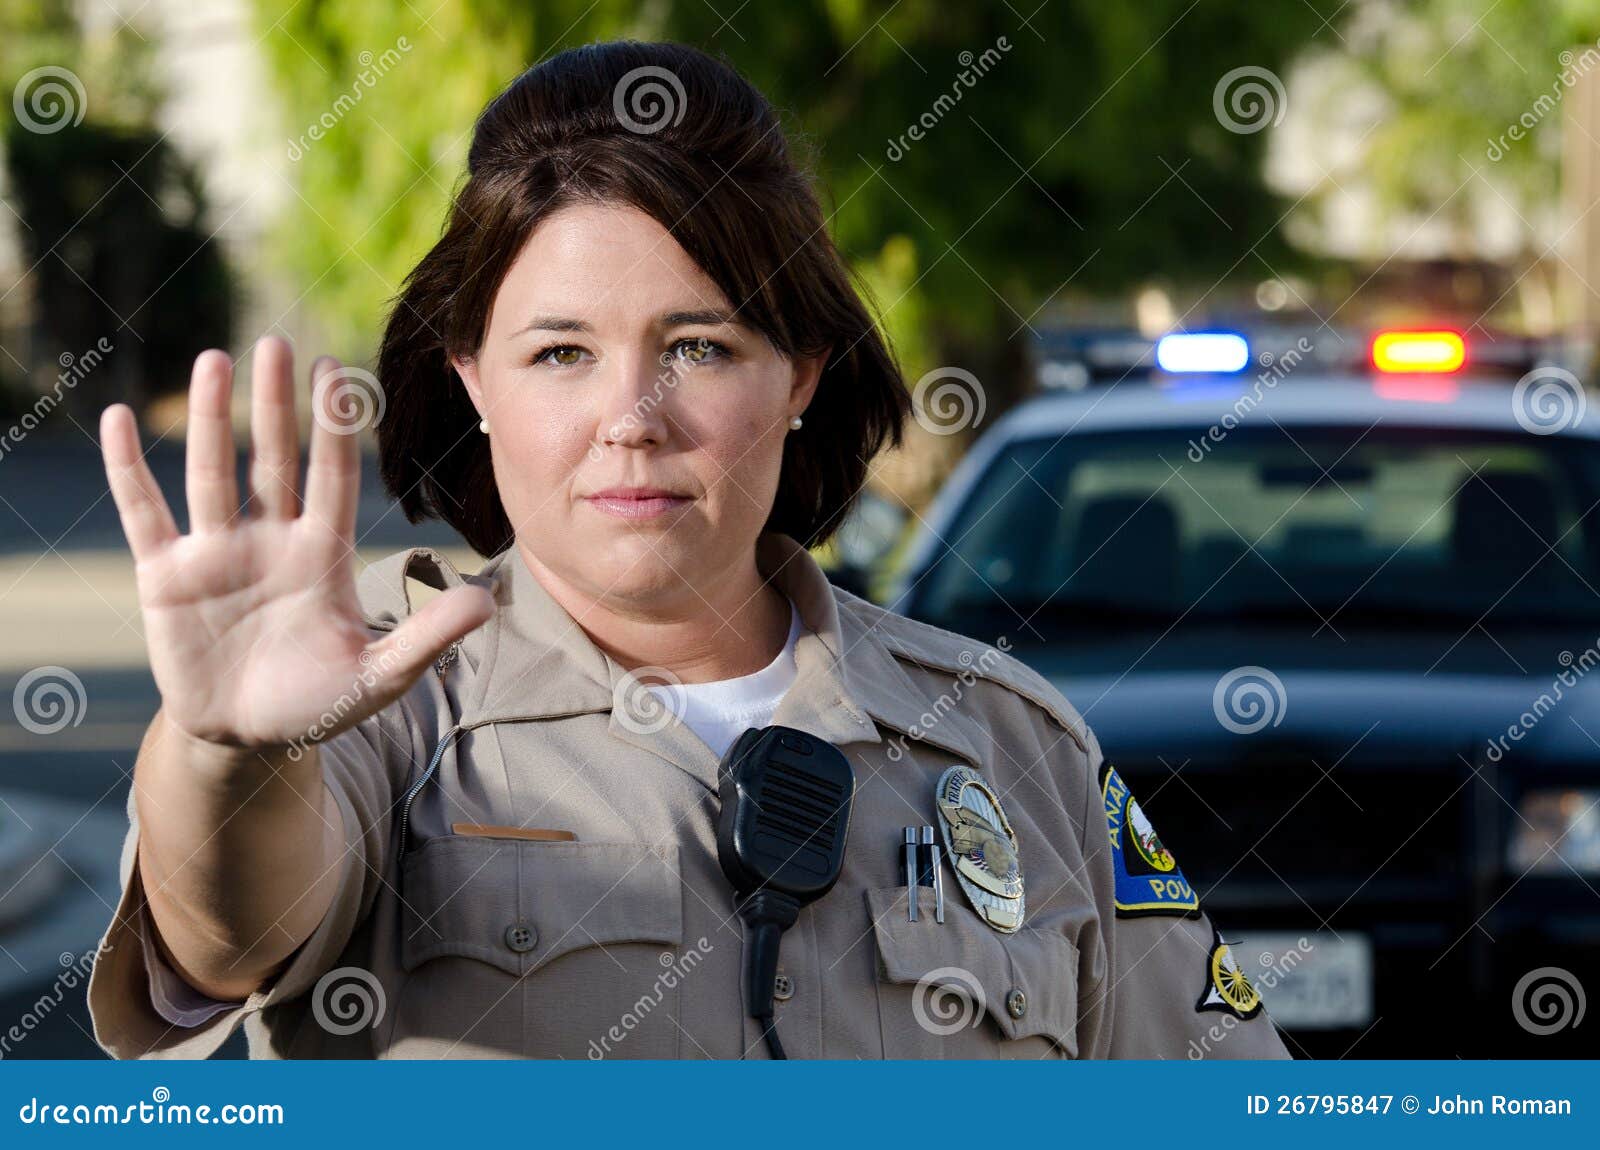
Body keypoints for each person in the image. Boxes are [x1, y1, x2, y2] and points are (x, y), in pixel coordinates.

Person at [86, 39, 1288, 1060]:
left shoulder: (1012, 741)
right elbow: (225, 934)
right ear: (473, 382)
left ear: (800, 375)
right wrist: (230, 752)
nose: (631, 416)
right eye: (560, 352)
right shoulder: (381, 717)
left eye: (700, 347)